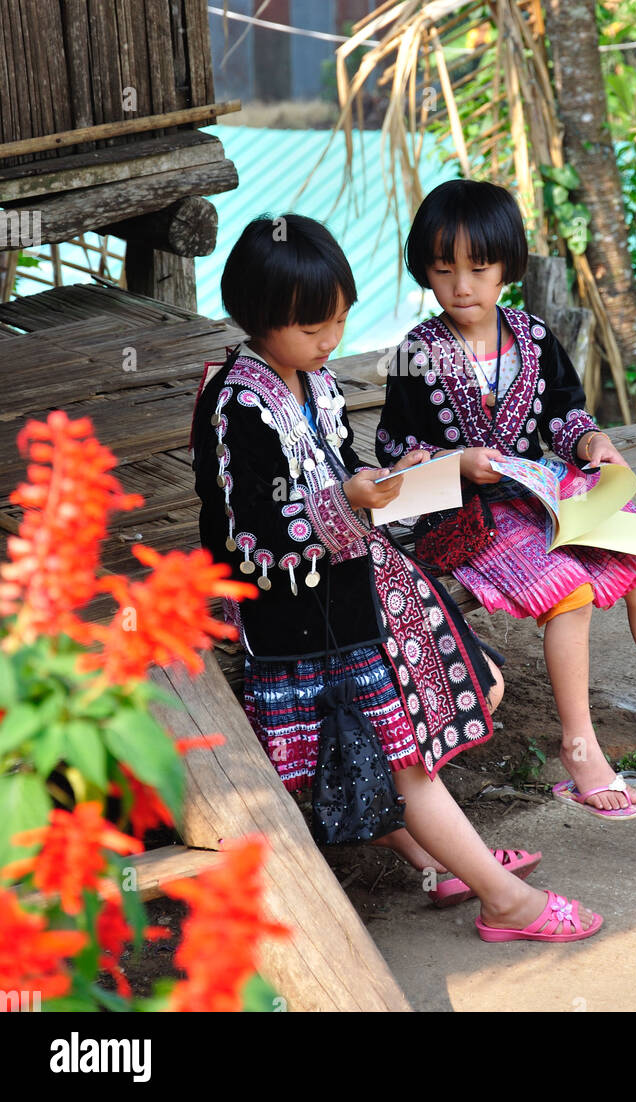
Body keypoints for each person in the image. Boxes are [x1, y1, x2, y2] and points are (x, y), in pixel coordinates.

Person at [189, 212, 602, 943]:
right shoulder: (235, 403)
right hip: (298, 622)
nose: (329, 344)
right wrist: (345, 500)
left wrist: (385, 480)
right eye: (313, 328)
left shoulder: (311, 382)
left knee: (443, 711)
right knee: (403, 751)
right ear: (259, 318)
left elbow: (342, 468)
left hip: (354, 592)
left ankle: (441, 866)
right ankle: (502, 901)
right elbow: (240, 536)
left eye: (339, 323)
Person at [375, 180, 636, 820]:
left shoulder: (535, 338)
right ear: (424, 271)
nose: (462, 285)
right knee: (568, 591)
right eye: (443, 269)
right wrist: (457, 464)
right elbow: (394, 450)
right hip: (466, 518)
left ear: (507, 267)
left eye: (478, 268)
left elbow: (567, 419)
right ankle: (579, 749)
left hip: (543, 489)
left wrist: (596, 445)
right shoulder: (417, 354)